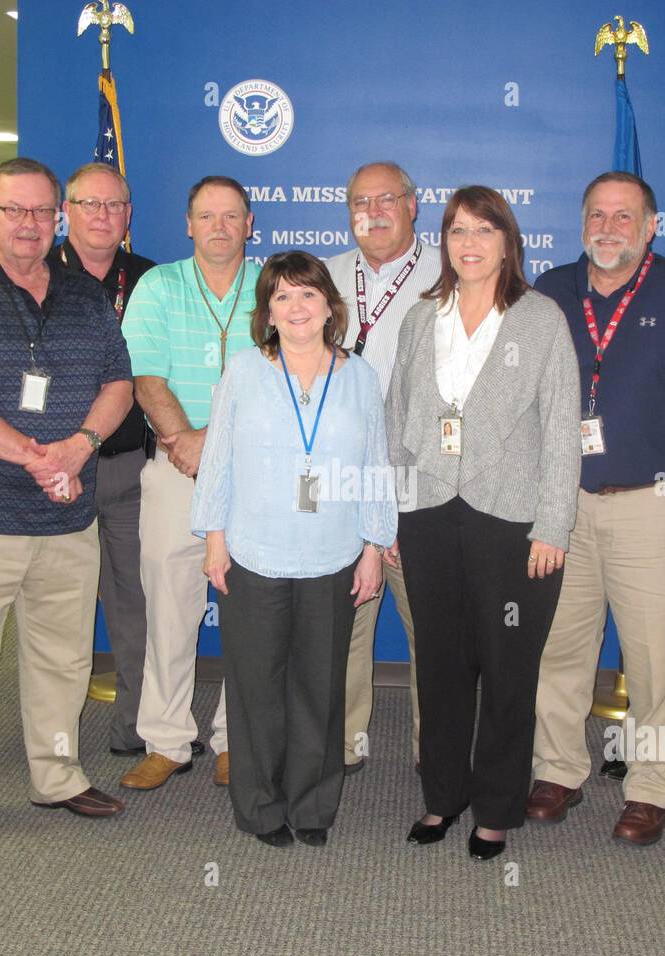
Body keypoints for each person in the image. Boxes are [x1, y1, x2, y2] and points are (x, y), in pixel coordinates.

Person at [0, 158, 134, 853]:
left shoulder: (87, 296)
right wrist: (36, 456)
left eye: (43, 212)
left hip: (66, 518)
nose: (30, 225)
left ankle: (58, 773)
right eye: (15, 210)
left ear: (58, 219)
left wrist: (77, 446)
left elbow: (119, 385)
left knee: (63, 659)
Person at [387, 186, 581, 860]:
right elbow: (396, 421)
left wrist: (553, 524)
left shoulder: (541, 319)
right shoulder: (421, 318)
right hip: (430, 514)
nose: (468, 244)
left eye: (483, 231)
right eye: (457, 231)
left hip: (513, 520)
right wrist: (394, 509)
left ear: (508, 241)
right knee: (438, 663)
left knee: (506, 666)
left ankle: (496, 807)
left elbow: (561, 431)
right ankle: (442, 795)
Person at [528, 172, 665, 845]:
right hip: (564, 503)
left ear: (652, 227)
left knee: (654, 655)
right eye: (597, 215)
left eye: (624, 216)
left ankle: (650, 784)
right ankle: (557, 767)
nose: (608, 228)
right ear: (581, 222)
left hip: (656, 503)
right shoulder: (551, 290)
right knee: (559, 646)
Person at [193, 251, 396, 847]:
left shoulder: (359, 376)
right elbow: (219, 460)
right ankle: (259, 807)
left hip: (333, 556)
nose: (297, 307)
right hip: (254, 553)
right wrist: (214, 542)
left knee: (319, 688)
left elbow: (375, 466)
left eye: (308, 294)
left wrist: (373, 547)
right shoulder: (244, 372)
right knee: (256, 690)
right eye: (282, 296)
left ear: (329, 305)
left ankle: (311, 807)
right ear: (268, 312)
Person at [119, 176, 258, 792]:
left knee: (248, 614)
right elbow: (147, 380)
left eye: (232, 216)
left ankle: (236, 739)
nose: (220, 227)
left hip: (257, 475)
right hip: (175, 470)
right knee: (169, 610)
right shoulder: (158, 285)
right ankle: (168, 741)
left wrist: (220, 448)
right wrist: (190, 448)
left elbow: (287, 379)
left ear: (250, 224)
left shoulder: (276, 286)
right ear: (188, 224)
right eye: (207, 216)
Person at [325, 161, 440, 775]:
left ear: (413, 204)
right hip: (343, 485)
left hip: (422, 485)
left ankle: (437, 750)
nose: (373, 209)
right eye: (359, 199)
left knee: (432, 629)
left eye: (386, 198)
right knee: (342, 623)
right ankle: (341, 744)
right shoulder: (328, 277)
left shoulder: (451, 273)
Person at [48, 161, 157, 756]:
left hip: (129, 468)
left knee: (132, 603)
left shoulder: (151, 279)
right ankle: (54, 737)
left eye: (114, 205)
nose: (103, 217)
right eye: (90, 205)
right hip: (58, 470)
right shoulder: (38, 277)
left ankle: (135, 726)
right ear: (66, 212)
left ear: (129, 214)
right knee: (60, 607)